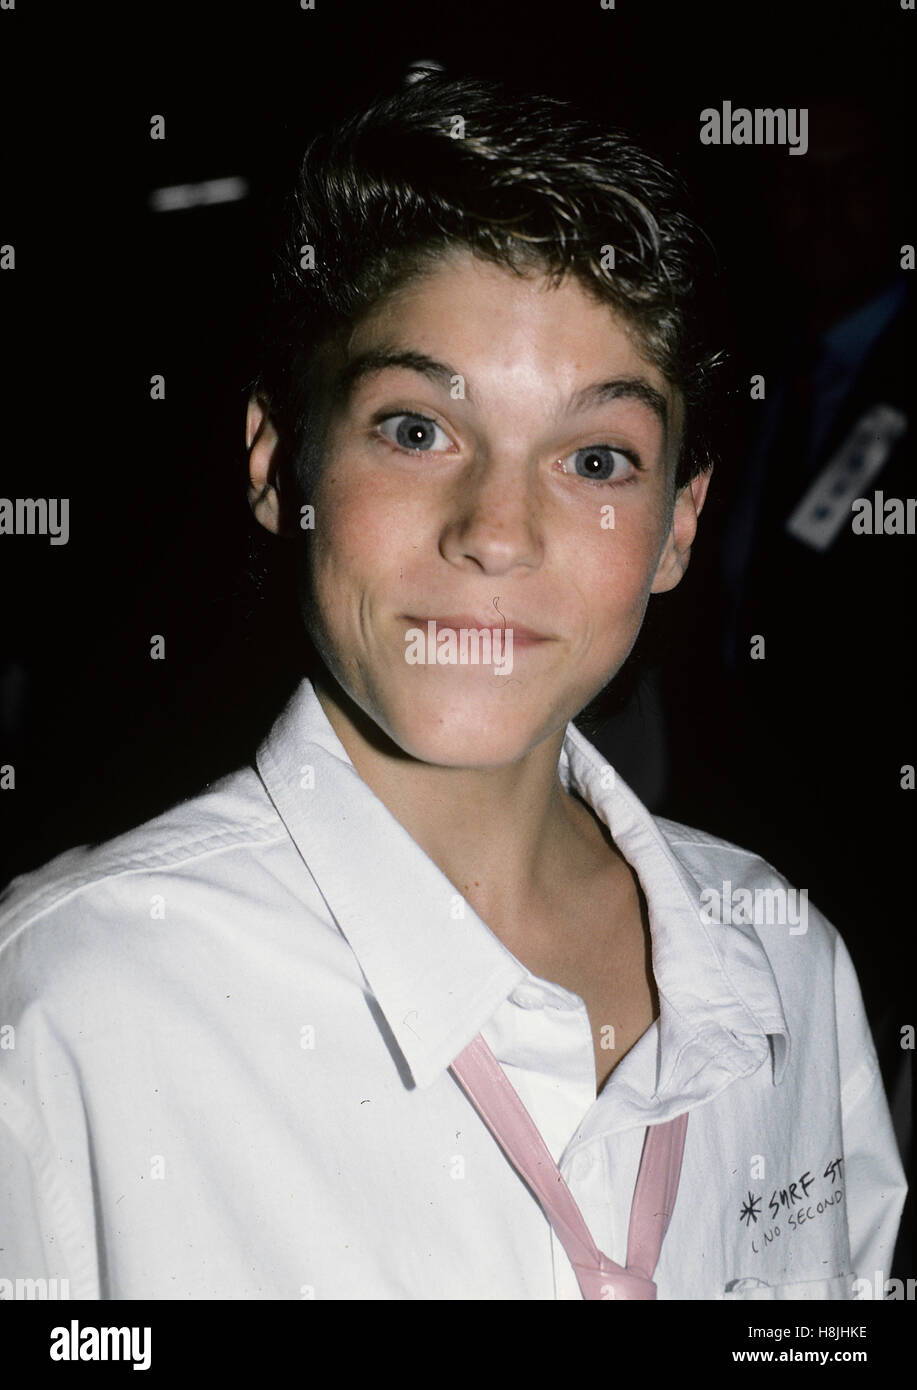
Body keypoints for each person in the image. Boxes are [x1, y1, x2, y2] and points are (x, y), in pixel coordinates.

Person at [0, 72, 905, 1301]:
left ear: (679, 524)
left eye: (595, 457)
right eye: (416, 428)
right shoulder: (65, 1011)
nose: (496, 531)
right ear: (278, 461)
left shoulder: (785, 966)